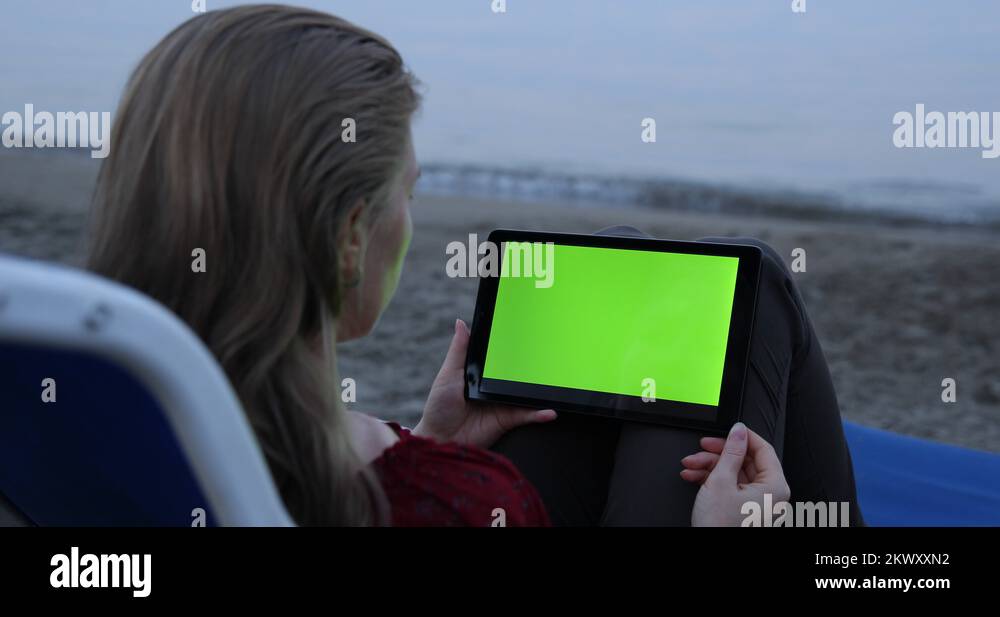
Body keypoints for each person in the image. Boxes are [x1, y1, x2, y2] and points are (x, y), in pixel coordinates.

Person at [86, 5, 861, 526]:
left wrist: (426, 436)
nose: (410, 219)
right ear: (352, 233)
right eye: (408, 192)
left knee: (616, 297)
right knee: (751, 279)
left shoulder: (89, 425)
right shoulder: (462, 500)